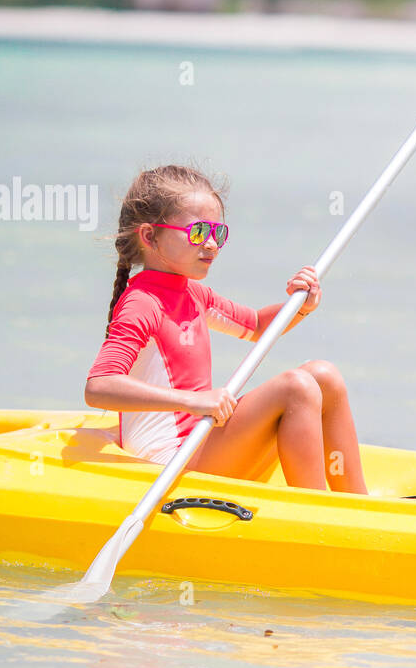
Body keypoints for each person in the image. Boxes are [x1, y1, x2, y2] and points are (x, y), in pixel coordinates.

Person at [84, 164, 367, 492]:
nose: (212, 245)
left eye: (218, 233)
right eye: (198, 232)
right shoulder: (142, 303)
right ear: (150, 236)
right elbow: (99, 386)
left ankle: (360, 502)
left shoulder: (193, 294)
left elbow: (259, 325)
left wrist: (300, 306)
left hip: (203, 440)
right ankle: (319, 514)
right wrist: (191, 401)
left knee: (323, 375)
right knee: (296, 387)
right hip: (167, 462)